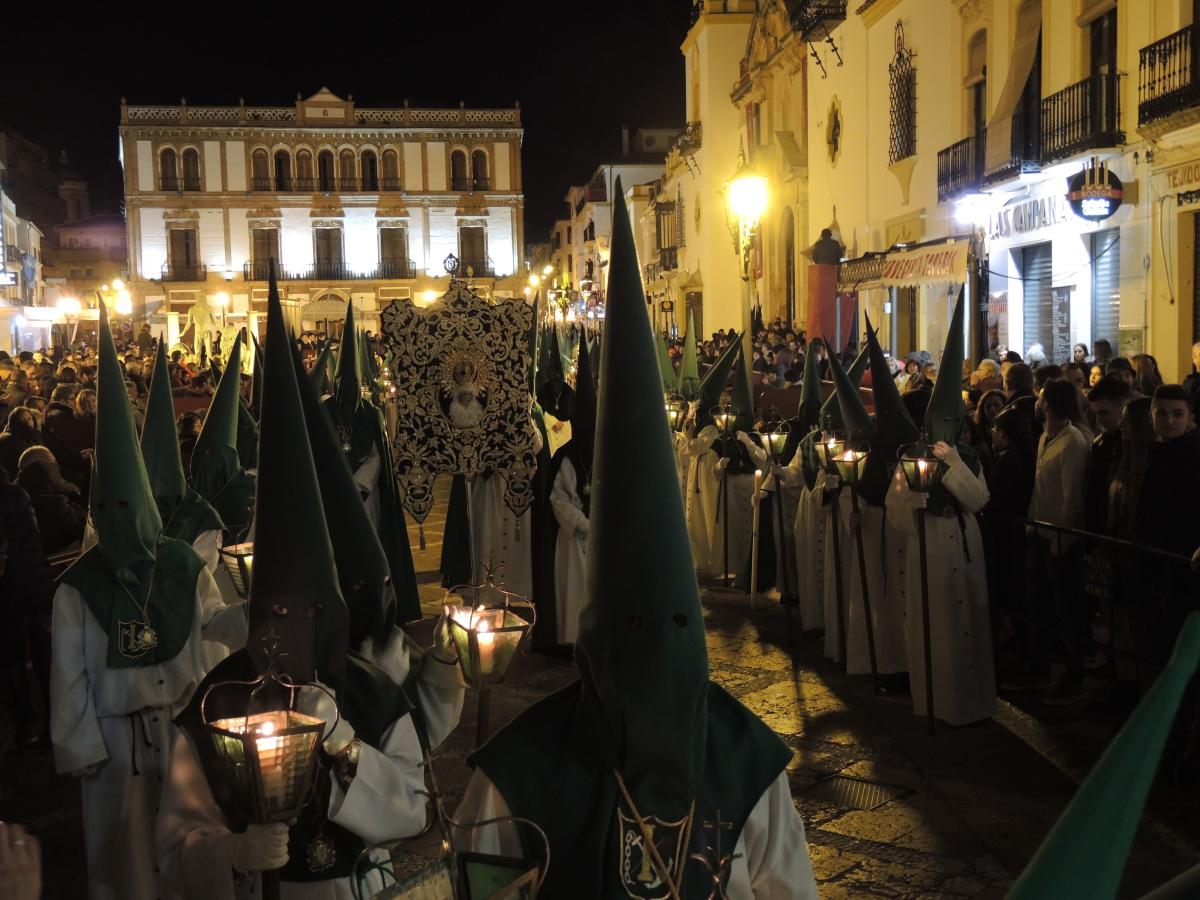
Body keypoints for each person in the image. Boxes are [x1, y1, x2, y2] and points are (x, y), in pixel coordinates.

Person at [457, 185, 819, 897]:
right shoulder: (521, 767)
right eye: (633, 627)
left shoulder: (746, 760)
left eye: (676, 625)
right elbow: (476, 882)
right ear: (595, 640)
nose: (656, 646)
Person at [158, 272, 465, 899]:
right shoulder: (213, 705)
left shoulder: (372, 696)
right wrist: (231, 852)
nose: (283, 634)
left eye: (304, 615)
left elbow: (415, 807)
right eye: (271, 613)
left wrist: (346, 745)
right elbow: (174, 842)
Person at [49, 305, 247, 900]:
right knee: (126, 857)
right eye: (106, 511)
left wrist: (256, 613)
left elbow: (213, 629)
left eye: (128, 510)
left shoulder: (184, 566)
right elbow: (69, 676)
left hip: (182, 729)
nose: (118, 522)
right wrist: (79, 744)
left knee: (191, 852)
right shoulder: (78, 587)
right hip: (114, 746)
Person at [886, 294, 996, 725]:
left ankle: (973, 702)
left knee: (969, 611)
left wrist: (952, 463)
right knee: (937, 621)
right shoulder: (911, 456)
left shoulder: (967, 457)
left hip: (965, 540)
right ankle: (938, 699)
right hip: (929, 543)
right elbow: (897, 509)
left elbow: (980, 499)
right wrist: (910, 500)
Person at [323, 300, 421, 625]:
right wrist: (338, 485)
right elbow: (320, 449)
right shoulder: (325, 412)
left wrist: (358, 486)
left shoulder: (371, 414)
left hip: (366, 497)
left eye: (350, 385)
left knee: (371, 550)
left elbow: (379, 456)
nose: (345, 391)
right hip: (335, 499)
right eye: (340, 385)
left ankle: (376, 602)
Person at [1023, 378, 1092, 705]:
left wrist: (1061, 540)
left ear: (1048, 404)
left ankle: (1073, 672)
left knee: (1067, 608)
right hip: (1040, 531)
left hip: (1059, 540)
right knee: (1040, 603)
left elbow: (1071, 499)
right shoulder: (1045, 438)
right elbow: (1041, 486)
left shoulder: (1072, 443)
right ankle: (1040, 665)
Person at [547, 333, 595, 646]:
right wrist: (582, 523)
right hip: (575, 539)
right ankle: (574, 639)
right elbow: (557, 498)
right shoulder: (566, 458)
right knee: (576, 592)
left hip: (605, 539)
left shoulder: (610, 456)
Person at [15, 446, 86, 553]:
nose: (57, 468)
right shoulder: (56, 505)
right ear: (48, 468)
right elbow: (86, 524)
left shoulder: (17, 496)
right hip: (58, 563)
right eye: (54, 463)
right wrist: (75, 494)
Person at [0, 408, 40, 480]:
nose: (27, 422)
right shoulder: (13, 441)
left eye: (29, 418)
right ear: (15, 422)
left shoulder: (26, 436)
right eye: (22, 420)